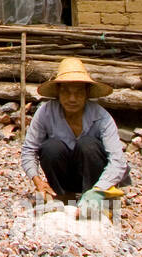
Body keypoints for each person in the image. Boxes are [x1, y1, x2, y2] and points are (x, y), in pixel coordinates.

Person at [19, 57, 131, 215]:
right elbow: (29, 150)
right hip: (66, 175)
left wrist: (100, 189)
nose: (72, 98)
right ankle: (64, 197)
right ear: (58, 92)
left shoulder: (101, 117)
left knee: (88, 144)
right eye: (66, 92)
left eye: (79, 92)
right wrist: (37, 180)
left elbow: (118, 161)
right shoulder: (45, 112)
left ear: (87, 94)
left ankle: (94, 200)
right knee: (51, 147)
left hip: (95, 178)